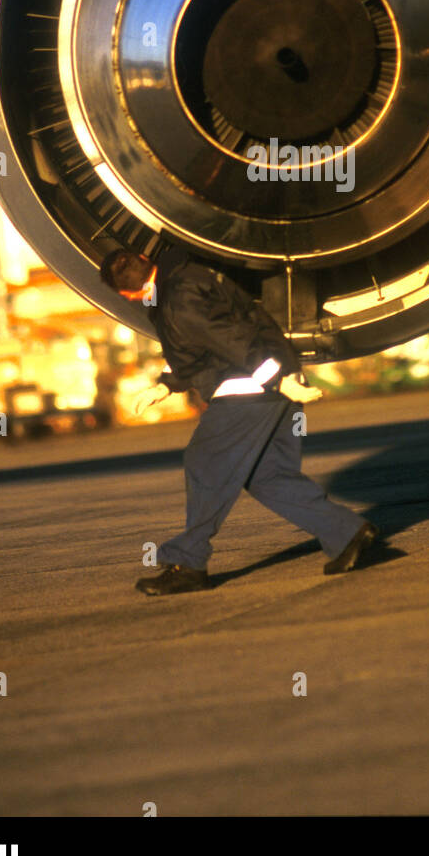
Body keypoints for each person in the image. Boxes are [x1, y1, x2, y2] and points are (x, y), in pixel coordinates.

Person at [99, 240, 379, 595]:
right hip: (276, 379)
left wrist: (277, 381)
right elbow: (202, 346)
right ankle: (346, 533)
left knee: (204, 463)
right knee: (268, 477)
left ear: (128, 295)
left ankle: (188, 563)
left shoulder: (176, 302)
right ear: (144, 258)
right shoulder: (187, 275)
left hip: (250, 389)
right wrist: (166, 386)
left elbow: (233, 341)